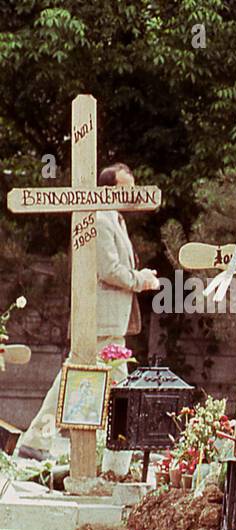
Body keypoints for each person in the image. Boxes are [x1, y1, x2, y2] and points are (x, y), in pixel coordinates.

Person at [17, 163, 160, 469]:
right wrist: (141, 279)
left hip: (110, 320)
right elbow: (108, 269)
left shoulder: (115, 219)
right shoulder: (100, 218)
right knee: (89, 381)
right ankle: (116, 450)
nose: (132, 195)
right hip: (100, 319)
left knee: (96, 381)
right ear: (109, 189)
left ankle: (46, 442)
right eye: (126, 188)